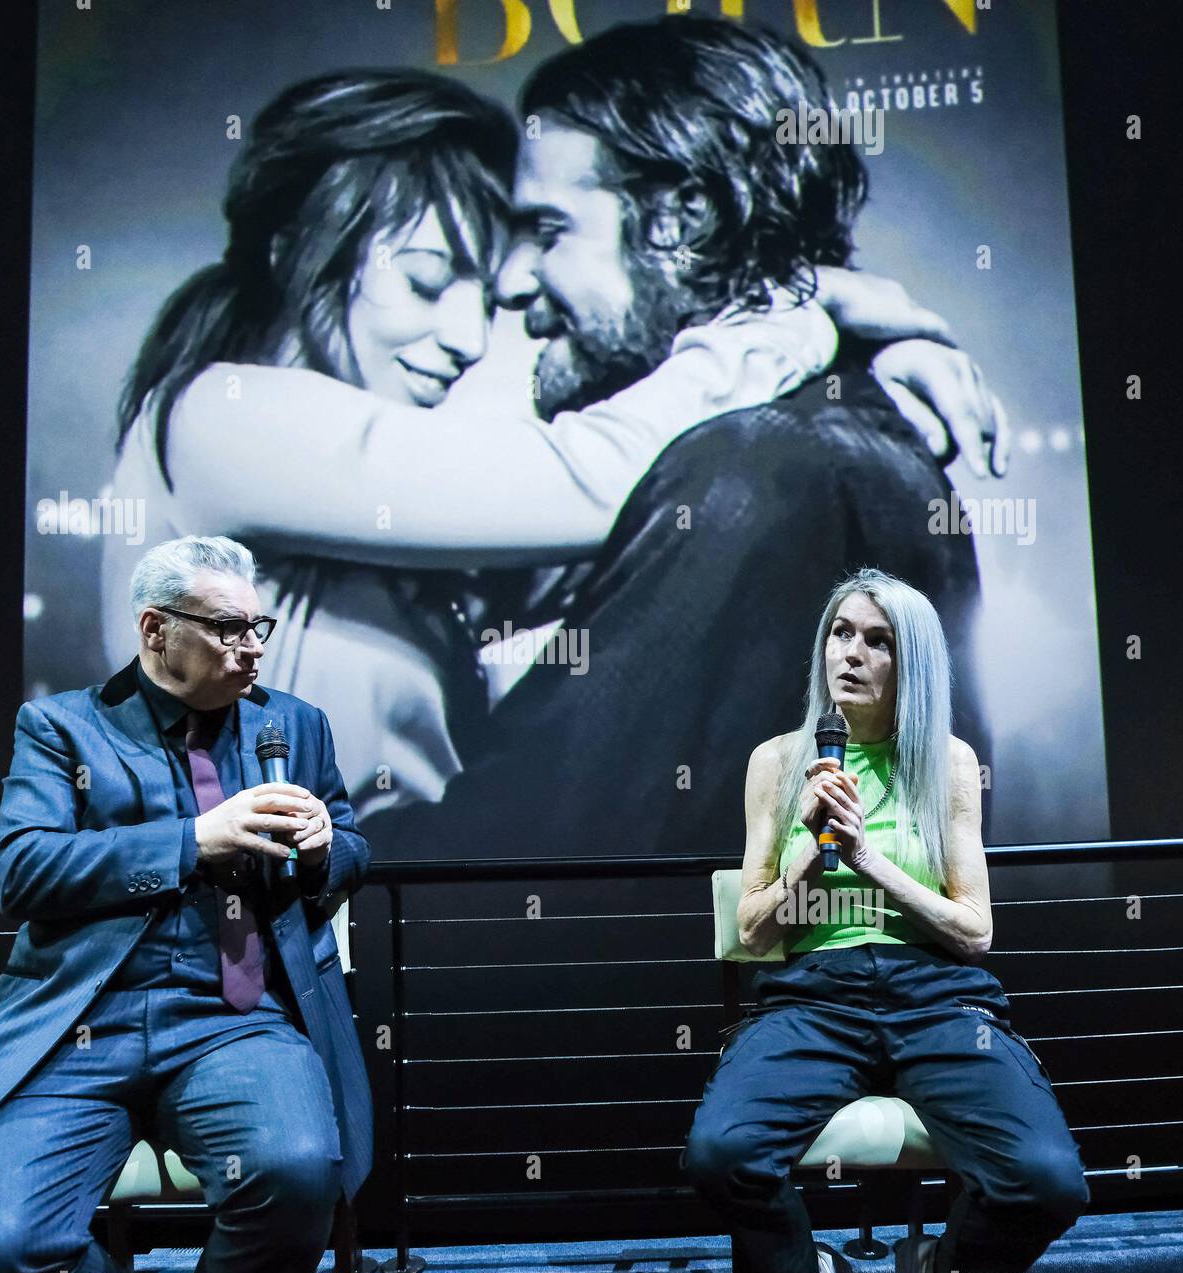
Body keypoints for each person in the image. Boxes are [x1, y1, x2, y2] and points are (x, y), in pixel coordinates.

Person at [100, 64, 1003, 821]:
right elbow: (597, 479)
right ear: (296, 247)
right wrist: (802, 309)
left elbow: (615, 540)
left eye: (483, 298)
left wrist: (880, 340)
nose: (467, 336)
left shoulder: (351, 494)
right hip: (258, 955)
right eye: (424, 281)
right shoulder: (220, 413)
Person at [364, 15, 998, 858]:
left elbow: (537, 845)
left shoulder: (756, 473)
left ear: (683, 219)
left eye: (550, 230)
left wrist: (313, 859)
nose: (513, 287)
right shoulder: (817, 437)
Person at [0, 535, 371, 1273]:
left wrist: (330, 847)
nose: (252, 649)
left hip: (236, 1017)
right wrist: (192, 841)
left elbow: (356, 841)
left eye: (258, 628)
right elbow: (22, 871)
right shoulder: (63, 729)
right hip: (76, 1025)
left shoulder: (294, 726)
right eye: (228, 629)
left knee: (296, 1173)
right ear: (155, 630)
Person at [682, 568, 1088, 1273]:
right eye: (841, 634)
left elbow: (974, 932)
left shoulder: (949, 764)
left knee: (1047, 1181)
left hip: (940, 998)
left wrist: (868, 860)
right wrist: (812, 849)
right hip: (811, 1000)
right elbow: (752, 924)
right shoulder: (778, 763)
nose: (851, 654)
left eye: (877, 641)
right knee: (719, 1154)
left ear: (914, 664)